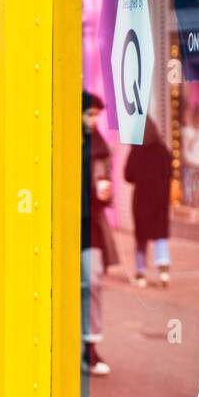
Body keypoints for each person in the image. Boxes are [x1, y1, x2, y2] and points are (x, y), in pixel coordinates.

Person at [81, 90, 117, 376]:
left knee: (92, 282)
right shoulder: (60, 139)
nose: (93, 120)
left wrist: (105, 192)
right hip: (60, 226)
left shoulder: (100, 146)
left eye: (96, 115)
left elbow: (105, 184)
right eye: (88, 114)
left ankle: (90, 347)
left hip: (89, 223)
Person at [124, 115, 173, 287]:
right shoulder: (163, 150)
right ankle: (164, 271)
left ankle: (141, 273)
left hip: (141, 201)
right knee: (161, 236)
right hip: (160, 201)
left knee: (141, 238)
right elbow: (170, 173)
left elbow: (128, 176)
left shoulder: (137, 151)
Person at [181, 101, 199, 207]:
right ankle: (194, 206)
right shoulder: (189, 131)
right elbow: (186, 148)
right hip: (195, 163)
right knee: (195, 187)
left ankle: (196, 206)